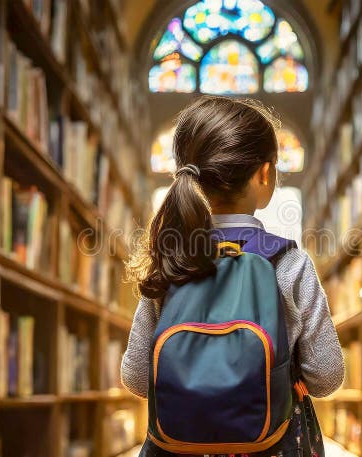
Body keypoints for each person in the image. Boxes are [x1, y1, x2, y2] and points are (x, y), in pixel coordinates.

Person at [122, 95, 344, 455]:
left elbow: (135, 377)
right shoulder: (289, 263)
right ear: (264, 174)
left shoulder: (171, 260)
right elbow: (326, 376)